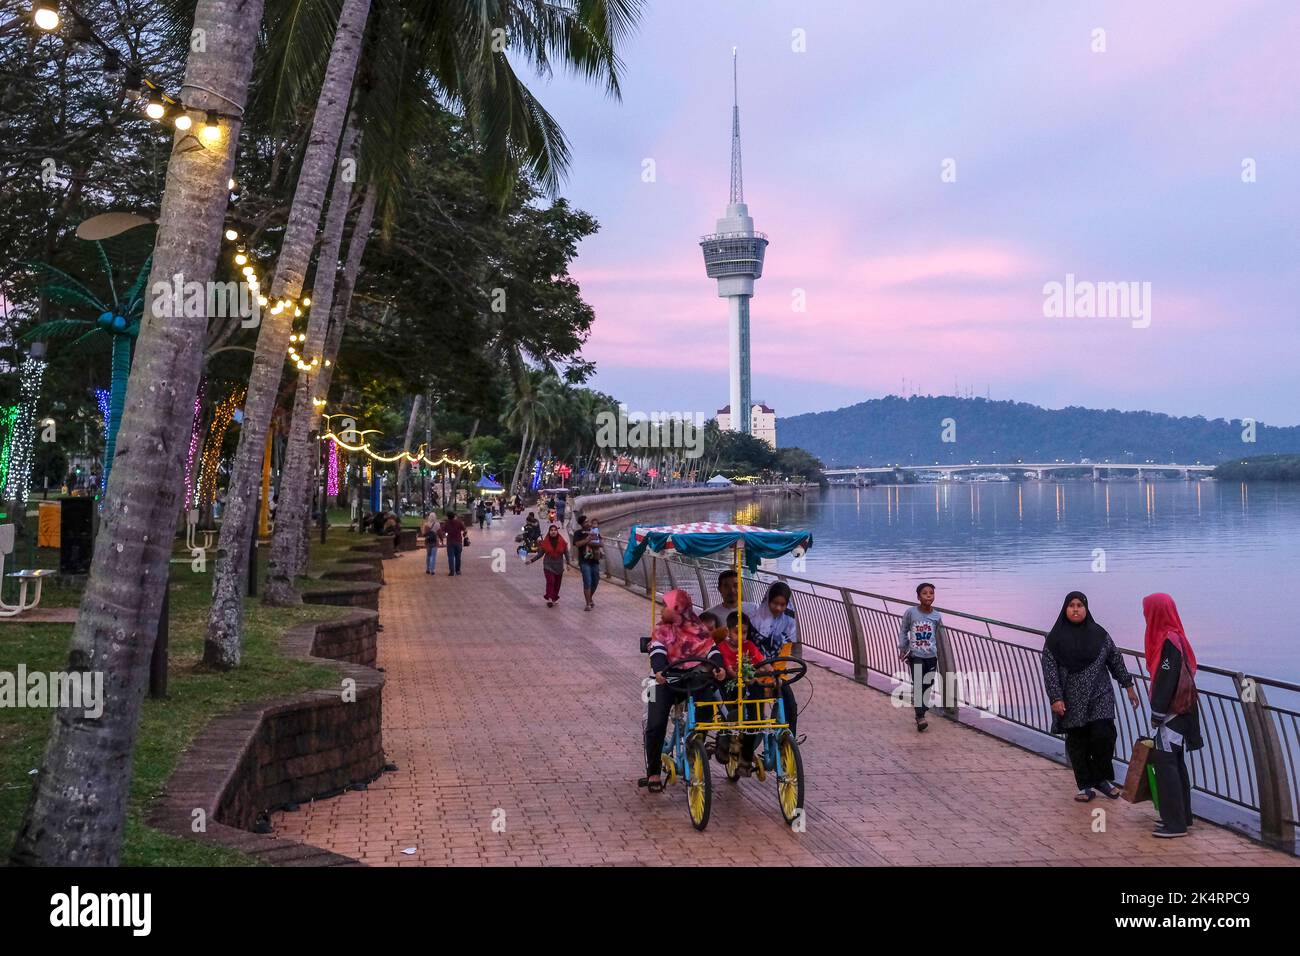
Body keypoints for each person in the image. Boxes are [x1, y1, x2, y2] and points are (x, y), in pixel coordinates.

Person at [1041, 591, 1140, 802]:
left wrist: (1128, 685)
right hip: (1071, 699)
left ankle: (1102, 778)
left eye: (1080, 605)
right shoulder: (1054, 640)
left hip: (1100, 695)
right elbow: (1049, 672)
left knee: (1103, 736)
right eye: (1071, 605)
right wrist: (1055, 698)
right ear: (1065, 609)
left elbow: (1115, 660)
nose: (1076, 609)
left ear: (1086, 608)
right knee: (1078, 742)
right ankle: (1085, 785)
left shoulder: (1099, 635)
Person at [640, 589, 726, 793]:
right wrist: (660, 669)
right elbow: (658, 651)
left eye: (666, 606)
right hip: (661, 680)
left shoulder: (698, 629)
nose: (662, 610)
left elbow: (712, 650)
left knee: (707, 706)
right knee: (655, 723)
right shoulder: (661, 630)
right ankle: (653, 771)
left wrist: (718, 667)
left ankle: (696, 744)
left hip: (691, 678)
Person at [1143, 593, 1203, 838]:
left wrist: (1157, 713)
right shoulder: (1177, 637)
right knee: (1176, 763)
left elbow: (1167, 679)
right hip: (1184, 711)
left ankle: (1175, 824)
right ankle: (1183, 817)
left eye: (1148, 611)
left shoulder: (1168, 641)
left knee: (1165, 764)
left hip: (1173, 715)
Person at [750, 581, 802, 737]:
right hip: (755, 672)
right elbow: (751, 651)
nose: (778, 608)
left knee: (790, 705)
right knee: (755, 709)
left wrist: (777, 675)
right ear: (768, 600)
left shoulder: (789, 622)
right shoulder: (754, 621)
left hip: (777, 674)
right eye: (774, 603)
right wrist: (764, 674)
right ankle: (749, 746)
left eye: (782, 604)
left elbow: (784, 653)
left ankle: (789, 740)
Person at [897, 582, 944, 732]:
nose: (928, 596)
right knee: (918, 684)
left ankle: (920, 711)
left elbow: (935, 634)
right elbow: (904, 630)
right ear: (918, 597)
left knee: (927, 685)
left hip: (931, 656)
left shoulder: (937, 616)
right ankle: (920, 716)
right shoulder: (911, 612)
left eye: (931, 593)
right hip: (915, 655)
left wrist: (936, 652)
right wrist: (903, 648)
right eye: (925, 593)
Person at [527, 524, 568, 606]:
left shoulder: (562, 542)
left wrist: (569, 563)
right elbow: (540, 554)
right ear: (549, 532)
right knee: (551, 581)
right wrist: (532, 560)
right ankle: (549, 598)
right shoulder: (545, 542)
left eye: (555, 530)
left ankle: (554, 597)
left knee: (557, 583)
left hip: (559, 566)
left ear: (557, 531)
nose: (553, 532)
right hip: (548, 566)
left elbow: (566, 553)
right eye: (551, 530)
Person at [570, 514, 604, 611]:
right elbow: (577, 544)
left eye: (588, 521)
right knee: (587, 581)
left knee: (596, 580)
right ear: (581, 524)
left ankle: (590, 598)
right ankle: (588, 603)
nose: (588, 523)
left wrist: (596, 541)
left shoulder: (594, 531)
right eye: (586, 522)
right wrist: (588, 539)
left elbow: (601, 543)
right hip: (584, 561)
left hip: (595, 559)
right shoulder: (578, 533)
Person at [441, 510, 466, 576]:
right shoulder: (459, 522)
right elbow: (464, 529)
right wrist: (464, 535)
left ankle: (451, 571)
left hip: (450, 542)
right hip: (458, 541)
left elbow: (443, 531)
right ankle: (458, 570)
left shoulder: (446, 523)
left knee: (451, 557)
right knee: (458, 556)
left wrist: (447, 535)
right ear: (454, 516)